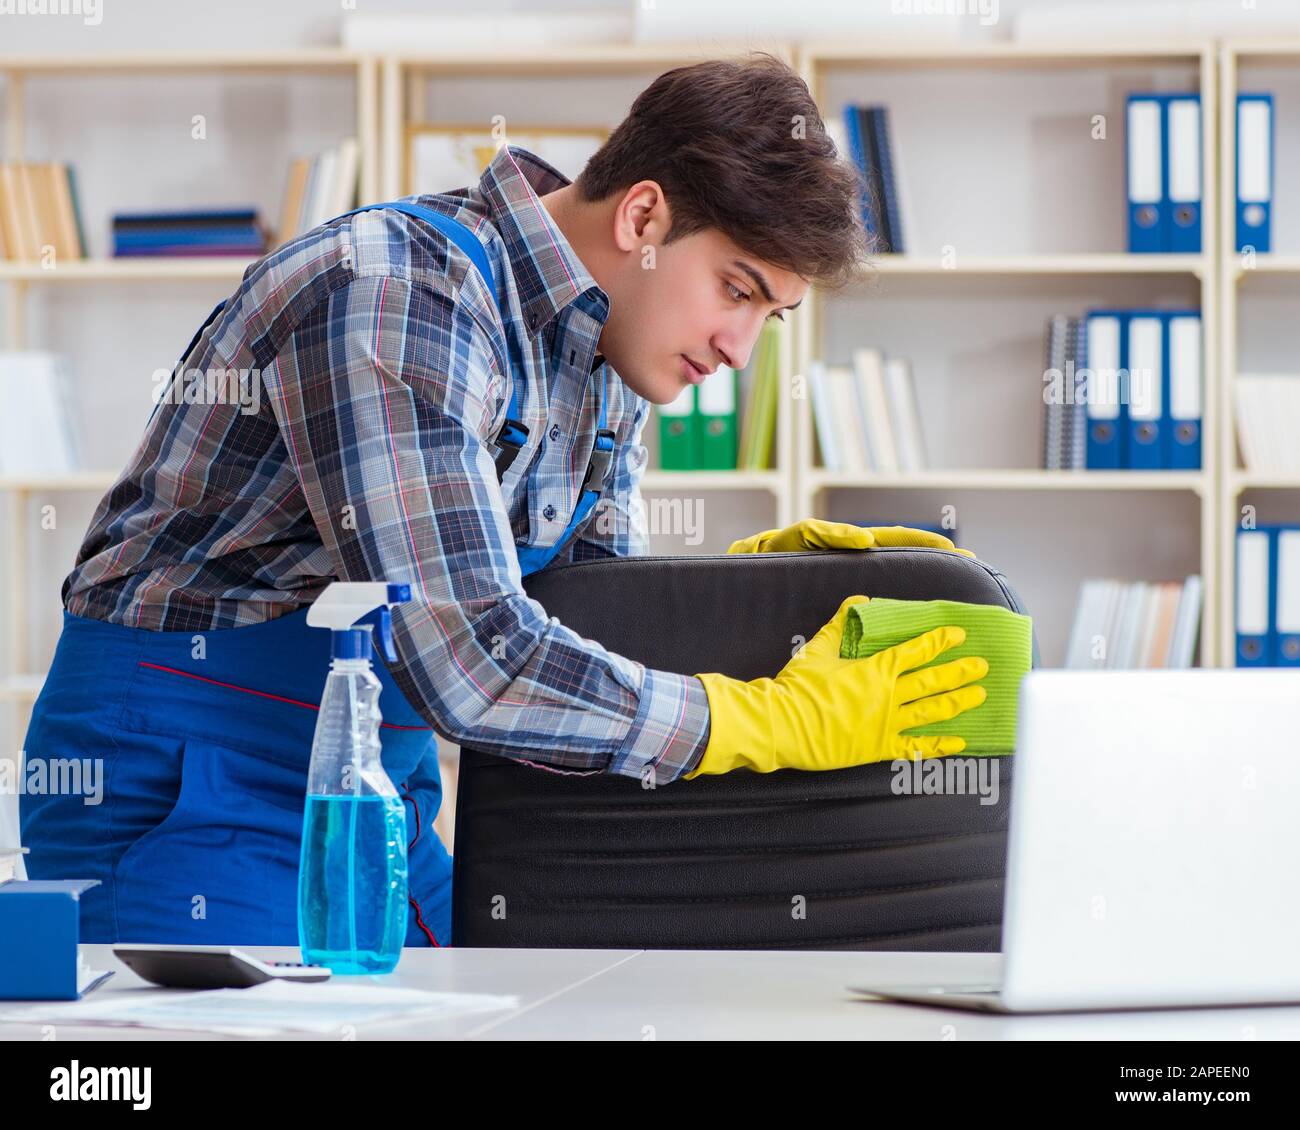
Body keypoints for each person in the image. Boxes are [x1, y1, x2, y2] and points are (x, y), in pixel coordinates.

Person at [20, 53, 987, 947]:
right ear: (644, 220)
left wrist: (741, 604)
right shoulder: (399, 295)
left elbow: (583, 611)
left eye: (768, 317)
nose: (740, 350)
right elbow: (474, 659)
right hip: (186, 767)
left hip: (370, 781)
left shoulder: (607, 350)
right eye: (737, 291)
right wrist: (754, 722)